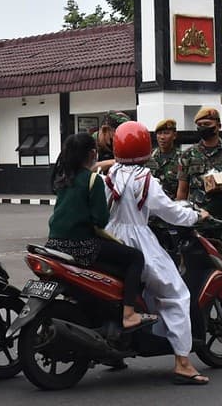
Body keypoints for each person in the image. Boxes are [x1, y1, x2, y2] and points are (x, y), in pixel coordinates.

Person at [104, 121, 211, 385]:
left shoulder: (110, 175)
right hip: (138, 239)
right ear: (146, 146)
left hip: (110, 237)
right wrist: (195, 216)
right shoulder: (145, 179)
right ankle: (183, 363)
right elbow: (169, 211)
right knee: (176, 293)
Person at [46, 132, 156, 333]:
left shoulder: (63, 178)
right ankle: (129, 314)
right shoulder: (93, 181)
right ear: (93, 153)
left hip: (54, 244)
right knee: (135, 258)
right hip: (81, 246)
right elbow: (101, 220)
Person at [176, 107, 222, 284]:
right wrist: (179, 218)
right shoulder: (188, 155)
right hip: (198, 223)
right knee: (197, 270)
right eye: (199, 125)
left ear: (218, 125)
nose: (203, 128)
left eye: (207, 124)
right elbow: (182, 192)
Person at [147, 118, 182, 199]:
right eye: (159, 133)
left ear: (174, 135)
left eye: (166, 133)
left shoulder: (182, 158)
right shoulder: (148, 158)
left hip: (172, 205)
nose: (162, 137)